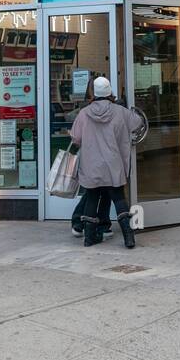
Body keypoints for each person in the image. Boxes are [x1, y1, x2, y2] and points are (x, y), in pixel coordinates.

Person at [70, 76, 144, 247]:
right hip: (113, 163)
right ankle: (129, 237)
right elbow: (138, 122)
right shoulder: (120, 112)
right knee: (118, 198)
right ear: (109, 92)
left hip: (91, 165)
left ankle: (89, 238)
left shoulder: (84, 114)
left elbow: (76, 138)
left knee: (92, 198)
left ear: (93, 93)